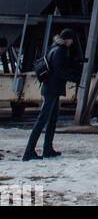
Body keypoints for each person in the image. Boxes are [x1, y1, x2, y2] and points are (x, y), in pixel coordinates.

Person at [22, 29, 77, 161]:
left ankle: (48, 149)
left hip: (51, 88)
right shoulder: (60, 50)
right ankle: (29, 151)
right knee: (42, 120)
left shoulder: (54, 48)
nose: (72, 42)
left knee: (51, 120)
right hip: (52, 89)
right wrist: (72, 76)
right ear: (68, 39)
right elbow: (59, 71)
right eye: (72, 39)